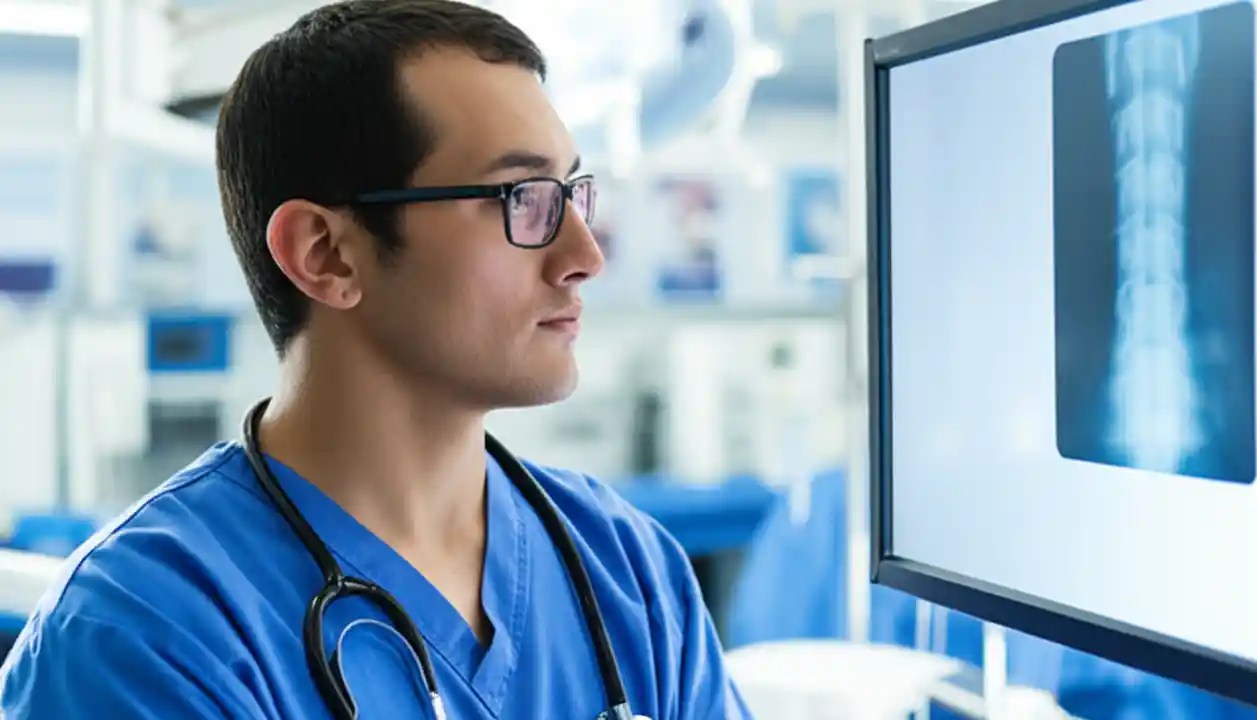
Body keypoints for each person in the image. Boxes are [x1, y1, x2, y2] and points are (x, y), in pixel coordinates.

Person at [0, 2, 752, 718]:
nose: (584, 255)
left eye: (569, 193)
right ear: (326, 255)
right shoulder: (146, 636)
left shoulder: (626, 571)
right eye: (518, 198)